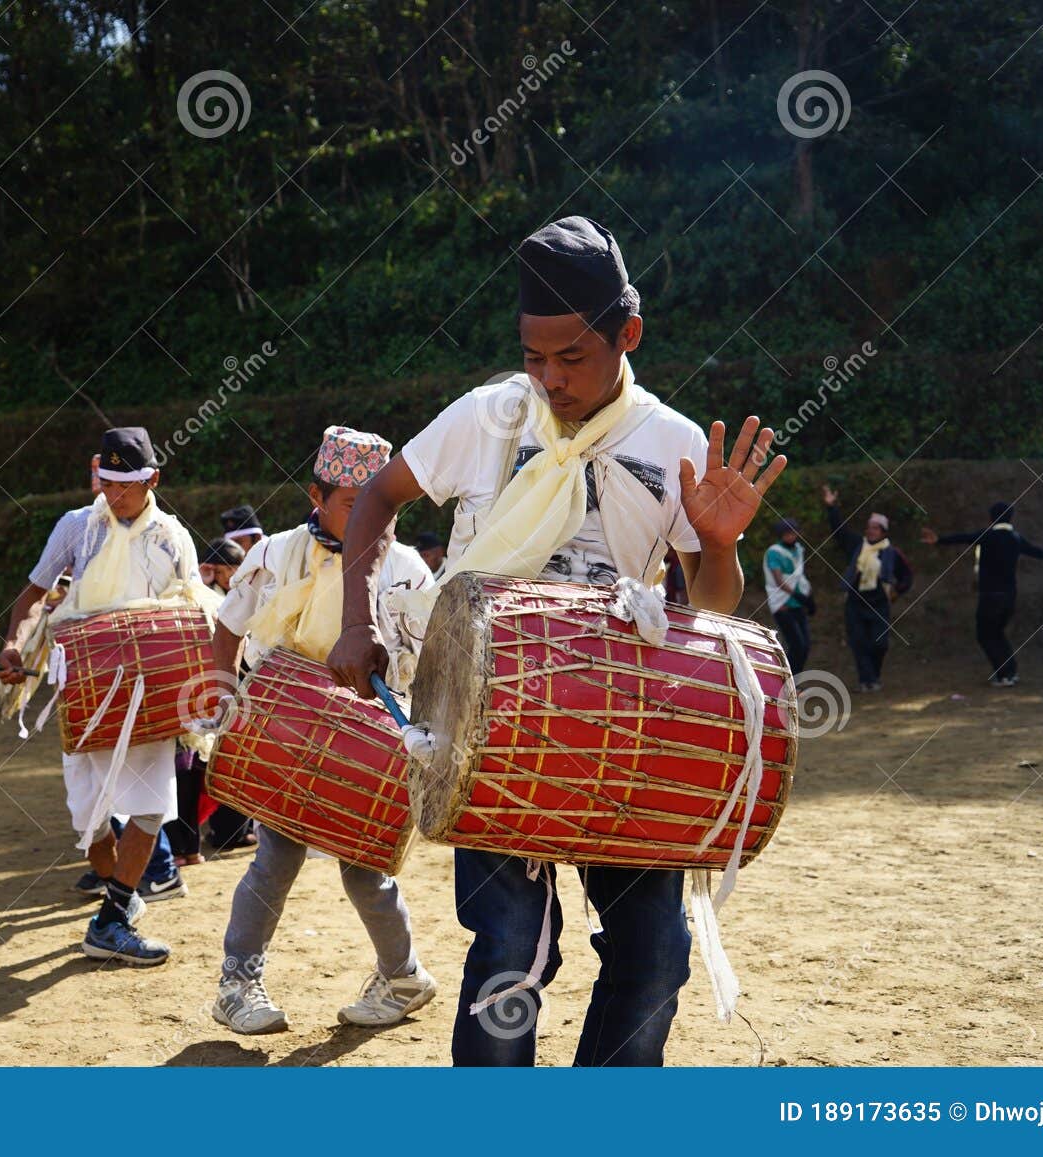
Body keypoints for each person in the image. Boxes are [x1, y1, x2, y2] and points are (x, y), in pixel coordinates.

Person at [326, 215, 786, 1067]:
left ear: (628, 335)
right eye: (534, 356)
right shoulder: (486, 417)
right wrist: (358, 619)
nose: (548, 378)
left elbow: (711, 610)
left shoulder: (674, 441)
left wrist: (715, 547)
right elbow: (374, 500)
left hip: (622, 733)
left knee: (655, 956)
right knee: (509, 951)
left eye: (570, 357)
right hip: (485, 731)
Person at [206, 426, 437, 1034]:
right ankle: (238, 982)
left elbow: (429, 663)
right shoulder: (273, 553)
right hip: (284, 728)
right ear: (316, 494)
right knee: (274, 859)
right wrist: (222, 694)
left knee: (367, 865)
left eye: (381, 505)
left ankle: (404, 975)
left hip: (372, 736)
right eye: (351, 505)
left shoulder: (409, 568)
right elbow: (230, 627)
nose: (370, 518)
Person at [0, 427, 203, 966]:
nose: (111, 494)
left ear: (152, 479)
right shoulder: (76, 526)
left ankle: (112, 917)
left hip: (150, 693)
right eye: (105, 481)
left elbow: (190, 609)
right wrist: (16, 647)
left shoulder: (172, 537)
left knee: (151, 810)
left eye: (124, 485)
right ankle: (122, 900)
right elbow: (34, 595)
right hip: (84, 688)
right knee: (90, 820)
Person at [920, 502, 1043, 686]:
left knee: (985, 635)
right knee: (997, 633)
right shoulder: (1016, 538)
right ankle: (1010, 671)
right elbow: (1036, 551)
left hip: (990, 596)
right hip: (1009, 596)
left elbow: (963, 538)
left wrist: (938, 540)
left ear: (991, 518)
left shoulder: (987, 536)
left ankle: (1004, 674)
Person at [823, 484, 910, 692]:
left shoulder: (891, 552)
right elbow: (839, 531)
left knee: (880, 644)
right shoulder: (857, 545)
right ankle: (867, 681)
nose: (870, 530)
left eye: (875, 527)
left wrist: (897, 592)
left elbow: (907, 576)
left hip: (879, 601)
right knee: (858, 642)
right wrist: (831, 507)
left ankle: (874, 675)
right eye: (869, 527)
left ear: (883, 531)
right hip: (855, 600)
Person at [764, 517, 812, 674]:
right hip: (782, 604)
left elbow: (799, 576)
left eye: (793, 533)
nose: (791, 536)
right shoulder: (774, 552)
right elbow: (778, 580)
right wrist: (797, 595)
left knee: (805, 645)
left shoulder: (798, 549)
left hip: (797, 604)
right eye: (787, 533)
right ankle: (787, 680)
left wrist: (807, 598)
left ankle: (795, 679)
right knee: (796, 644)